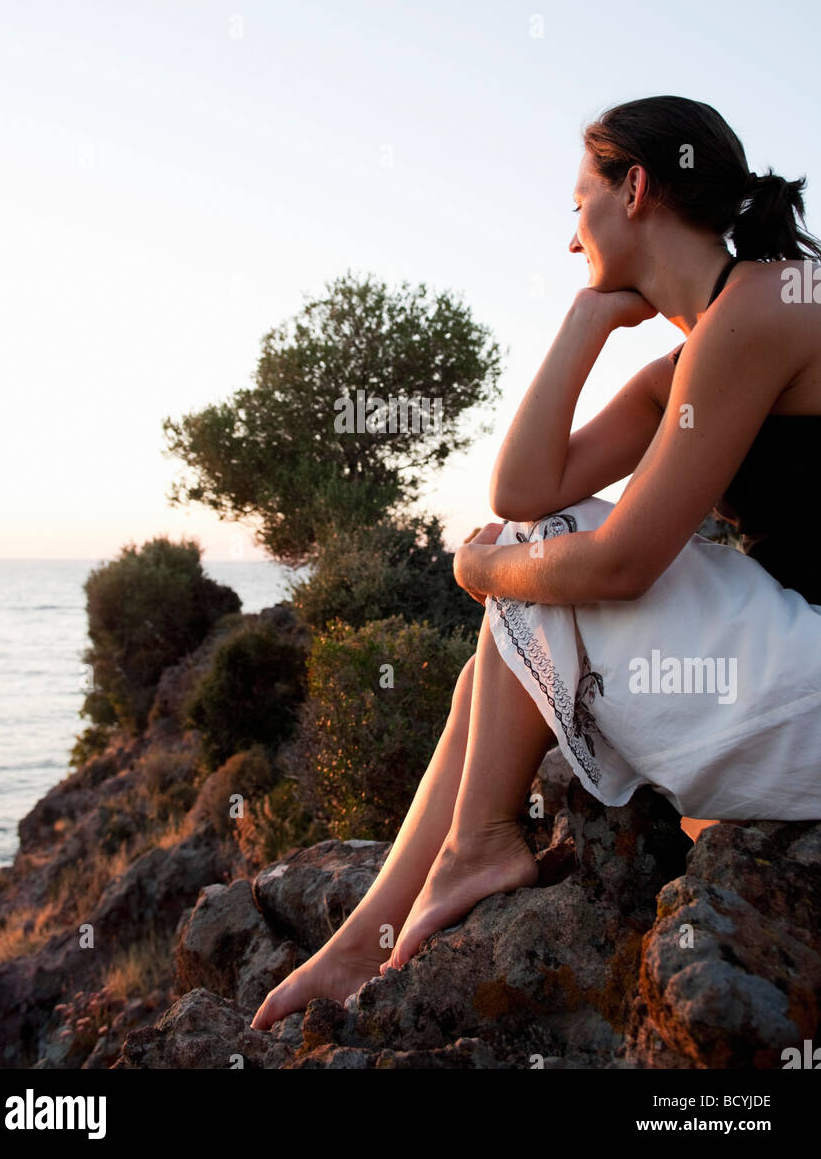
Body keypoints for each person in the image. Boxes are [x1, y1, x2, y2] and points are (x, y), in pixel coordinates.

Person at [251, 95, 821, 1033]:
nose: (569, 240)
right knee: (504, 638)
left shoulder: (762, 309)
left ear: (634, 188)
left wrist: (487, 576)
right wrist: (585, 322)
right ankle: (377, 925)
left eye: (577, 206)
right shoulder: (691, 357)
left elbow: (619, 565)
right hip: (790, 656)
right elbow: (524, 489)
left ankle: (476, 844)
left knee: (527, 566)